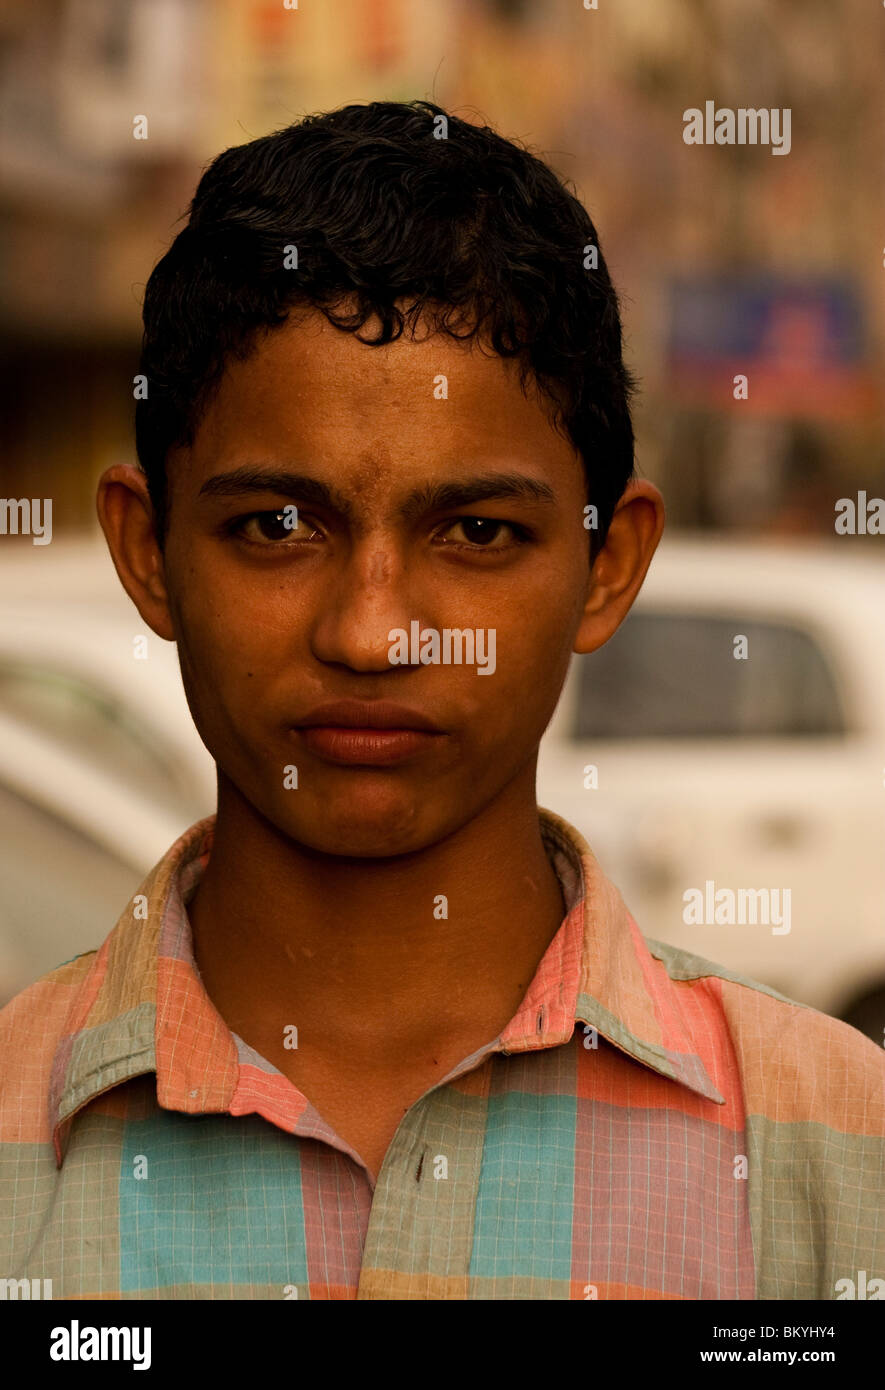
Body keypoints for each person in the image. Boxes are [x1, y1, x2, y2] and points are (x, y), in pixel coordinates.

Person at [1, 100, 882, 1301]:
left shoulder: (838, 1152)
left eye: (475, 531)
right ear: (148, 552)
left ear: (606, 565)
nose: (372, 629)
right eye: (276, 526)